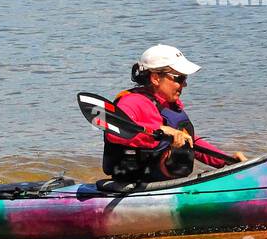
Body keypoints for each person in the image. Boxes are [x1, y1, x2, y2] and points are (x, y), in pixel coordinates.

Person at [102, 45, 245, 183]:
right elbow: (114, 132)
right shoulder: (132, 102)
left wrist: (225, 161)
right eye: (179, 79)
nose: (184, 85)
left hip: (163, 183)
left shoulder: (168, 105)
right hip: (135, 185)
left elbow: (190, 142)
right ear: (156, 78)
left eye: (185, 79)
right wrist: (161, 130)